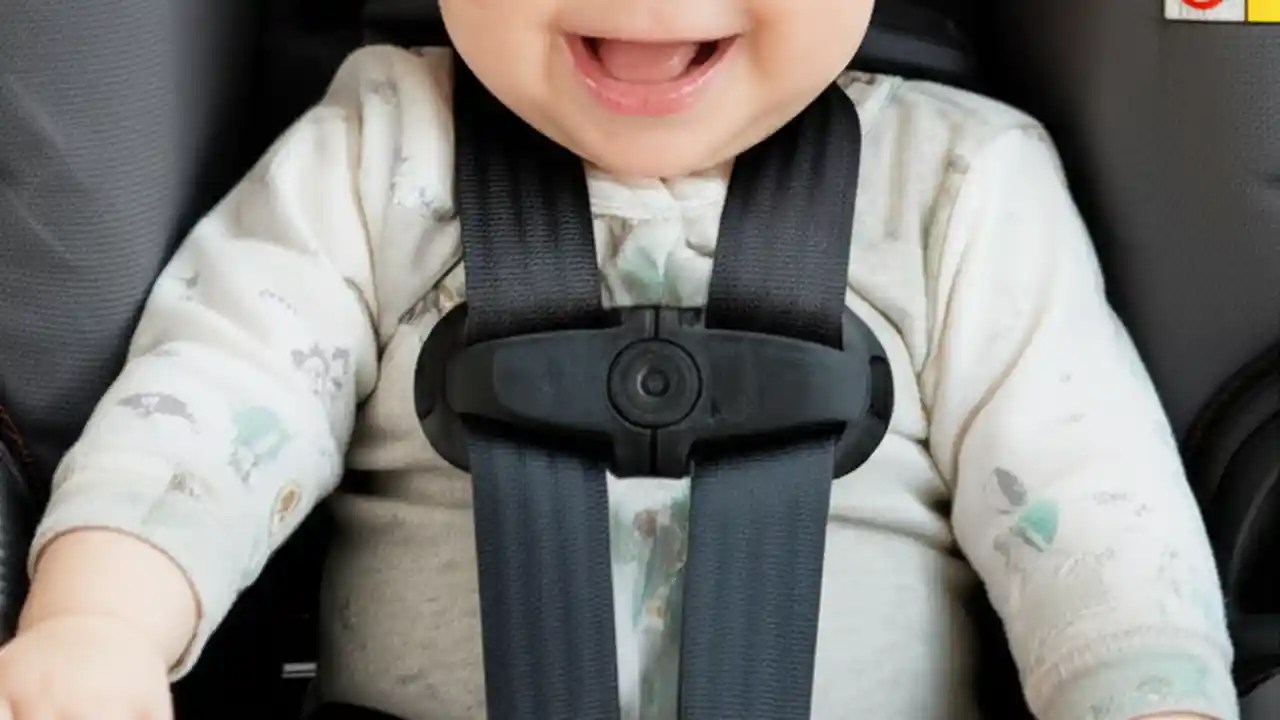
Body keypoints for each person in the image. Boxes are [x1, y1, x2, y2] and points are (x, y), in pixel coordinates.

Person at [0, 0, 1238, 718]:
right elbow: (220, 394)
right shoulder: (380, 147)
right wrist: (101, 621)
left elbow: (1094, 522)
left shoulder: (964, 184)